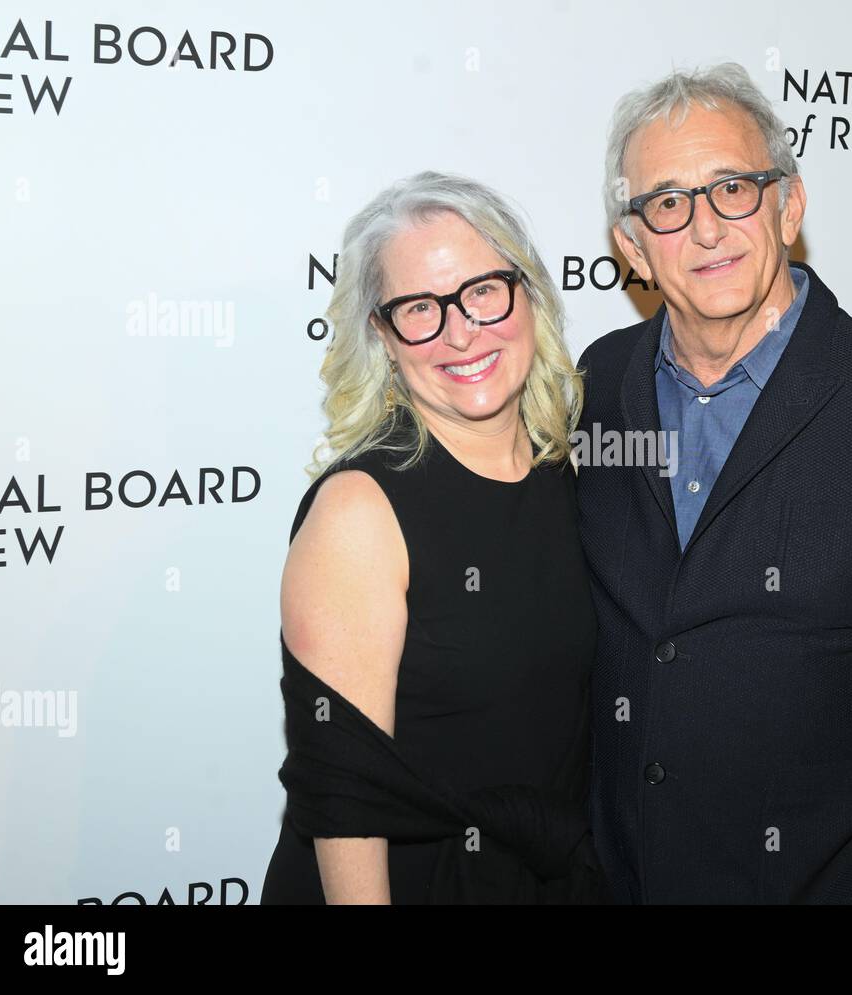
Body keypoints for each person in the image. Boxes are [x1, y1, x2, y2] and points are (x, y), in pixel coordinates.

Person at [576, 63, 852, 903]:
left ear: (789, 205)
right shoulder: (599, 383)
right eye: (668, 203)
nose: (706, 229)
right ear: (633, 246)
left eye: (733, 189)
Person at [261, 171, 608, 904]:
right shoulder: (360, 511)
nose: (460, 331)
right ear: (383, 338)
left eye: (482, 290)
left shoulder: (569, 472)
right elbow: (344, 796)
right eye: (419, 308)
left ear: (529, 294)